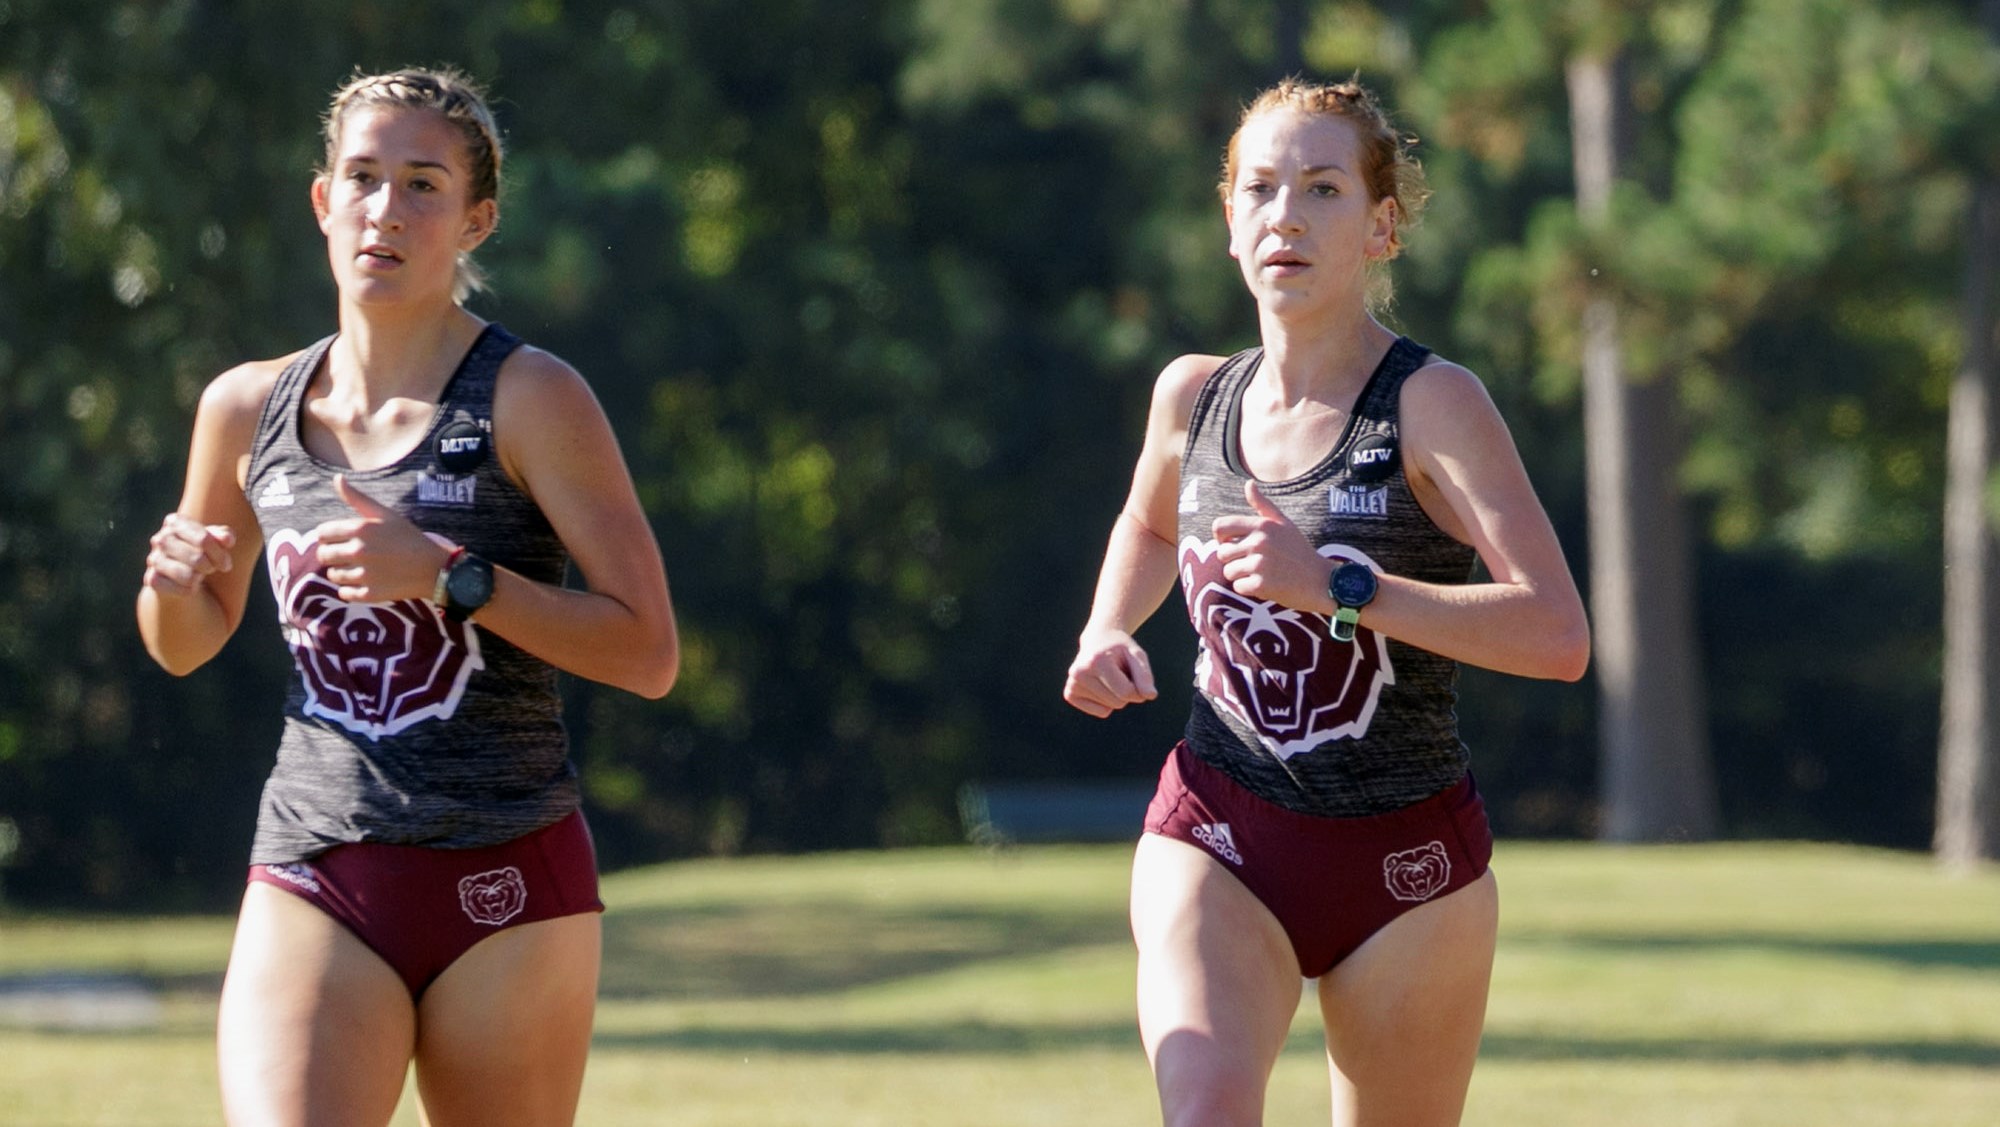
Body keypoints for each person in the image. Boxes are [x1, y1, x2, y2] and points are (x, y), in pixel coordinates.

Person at [136, 67, 679, 1126]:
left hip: (506, 878)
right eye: (364, 176)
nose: (386, 208)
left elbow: (646, 650)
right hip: (315, 862)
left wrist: (445, 573)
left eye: (422, 184)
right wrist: (172, 588)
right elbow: (185, 641)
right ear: (322, 200)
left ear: (476, 218)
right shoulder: (246, 406)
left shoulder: (533, 397)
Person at [1062, 78, 1589, 1127]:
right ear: (1228, 222)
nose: (1285, 216)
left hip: (1409, 867)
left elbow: (1555, 633)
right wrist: (1106, 625)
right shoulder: (1191, 394)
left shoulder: (1432, 403)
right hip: (1218, 823)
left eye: (1321, 188)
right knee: (1203, 1110)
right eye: (1258, 189)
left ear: (1380, 226)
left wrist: (1340, 586)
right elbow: (1151, 524)